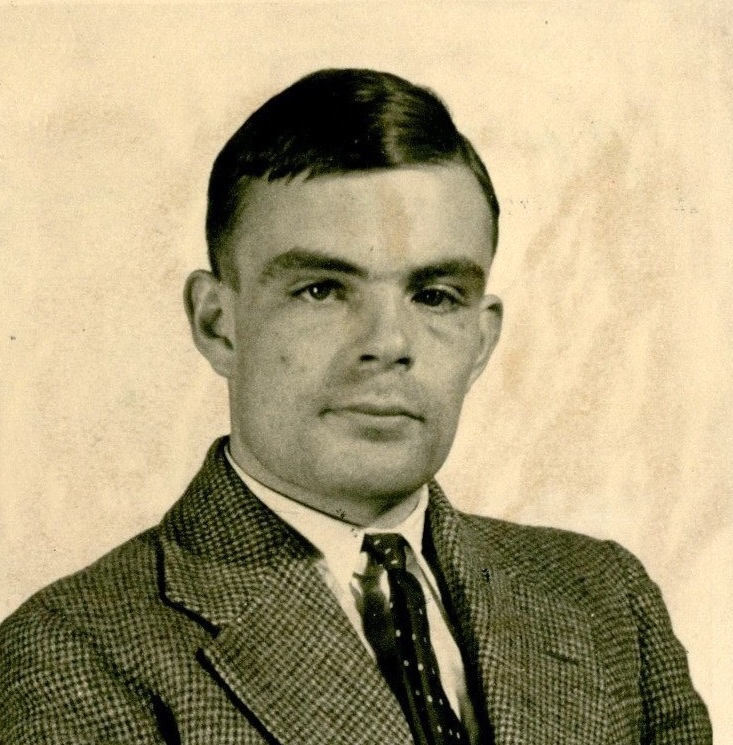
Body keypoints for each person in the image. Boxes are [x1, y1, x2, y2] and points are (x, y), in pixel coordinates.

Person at [0, 69, 711, 744]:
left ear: (480, 340)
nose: (388, 344)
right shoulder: (71, 653)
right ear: (218, 324)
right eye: (322, 290)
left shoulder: (608, 601)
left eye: (434, 295)